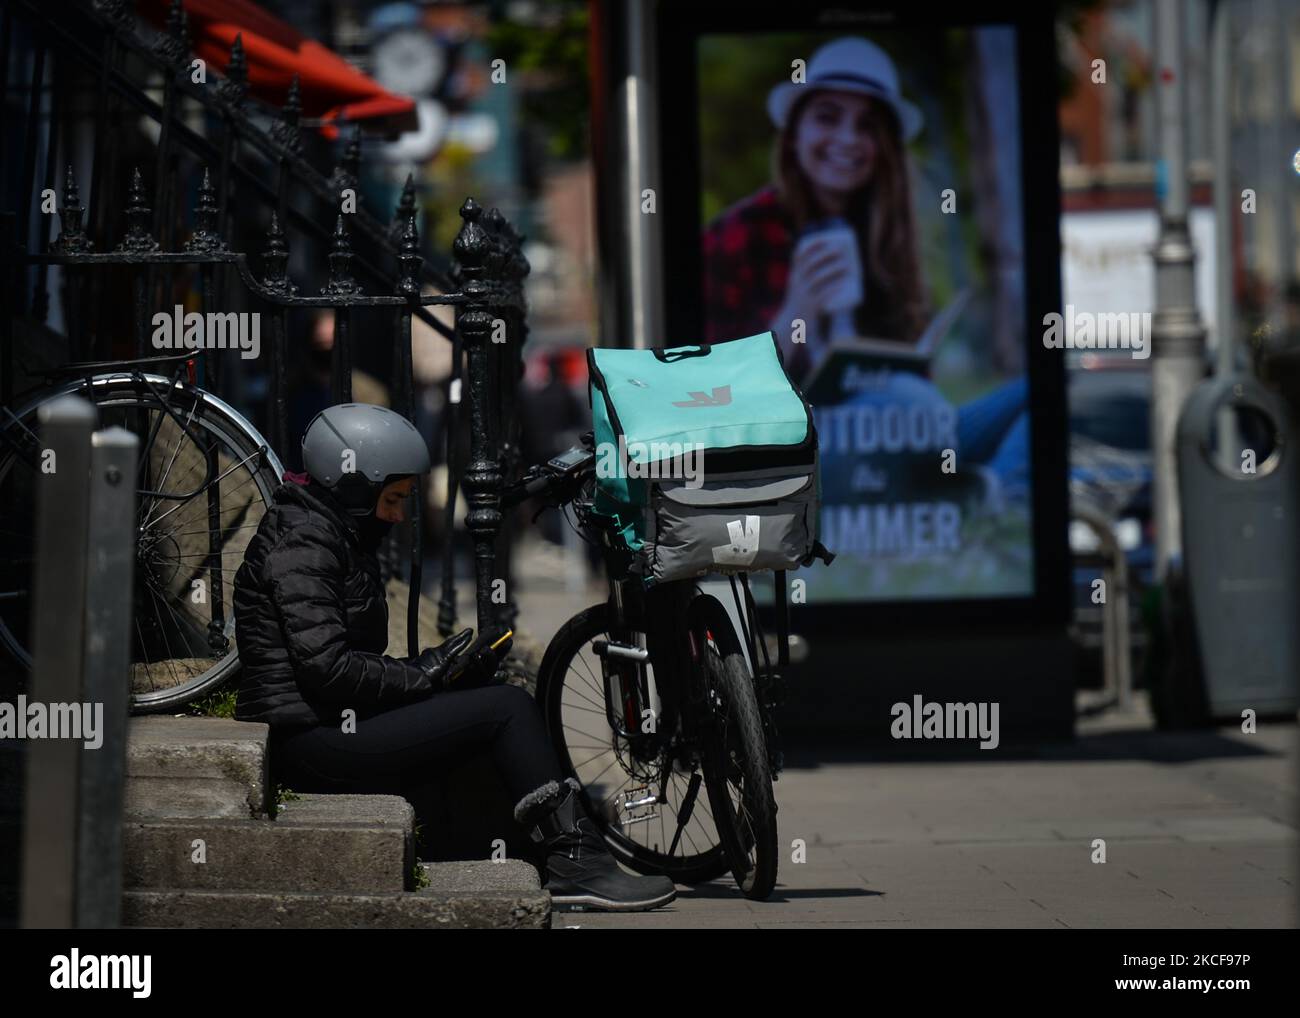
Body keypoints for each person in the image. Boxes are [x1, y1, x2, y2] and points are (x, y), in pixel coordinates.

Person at [232, 402, 675, 912]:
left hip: (330, 722)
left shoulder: (328, 530)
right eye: (393, 499)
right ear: (355, 487)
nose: (399, 515)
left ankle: (563, 846)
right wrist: (424, 674)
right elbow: (326, 668)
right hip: (311, 738)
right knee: (505, 707)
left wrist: (445, 674)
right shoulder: (304, 542)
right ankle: (576, 861)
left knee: (488, 697)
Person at [702, 36, 927, 379]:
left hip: (883, 427)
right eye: (827, 117)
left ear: (885, 149)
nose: (847, 139)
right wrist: (799, 307)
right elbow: (719, 392)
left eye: (867, 125)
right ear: (794, 134)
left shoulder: (890, 236)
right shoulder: (736, 236)